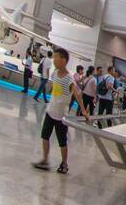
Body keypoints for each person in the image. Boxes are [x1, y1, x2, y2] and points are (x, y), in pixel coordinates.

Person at [31, 46, 87, 174]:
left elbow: (77, 94)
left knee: (62, 142)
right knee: (44, 136)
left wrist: (83, 110)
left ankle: (64, 163)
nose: (54, 60)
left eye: (56, 58)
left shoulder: (69, 79)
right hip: (50, 112)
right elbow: (53, 88)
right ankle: (45, 160)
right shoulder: (54, 73)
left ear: (64, 60)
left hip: (61, 116)